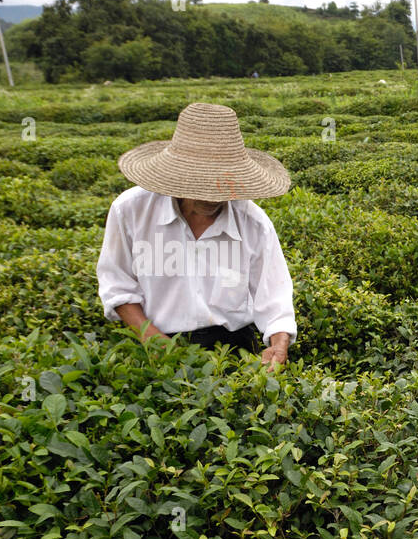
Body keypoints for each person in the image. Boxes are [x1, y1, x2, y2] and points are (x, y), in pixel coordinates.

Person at [97, 102, 297, 369]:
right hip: (155, 341)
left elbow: (274, 297)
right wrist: (154, 341)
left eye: (222, 185)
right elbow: (117, 286)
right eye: (202, 185)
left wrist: (278, 343)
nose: (212, 196)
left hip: (233, 347)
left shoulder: (253, 222)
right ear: (178, 175)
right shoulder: (130, 210)